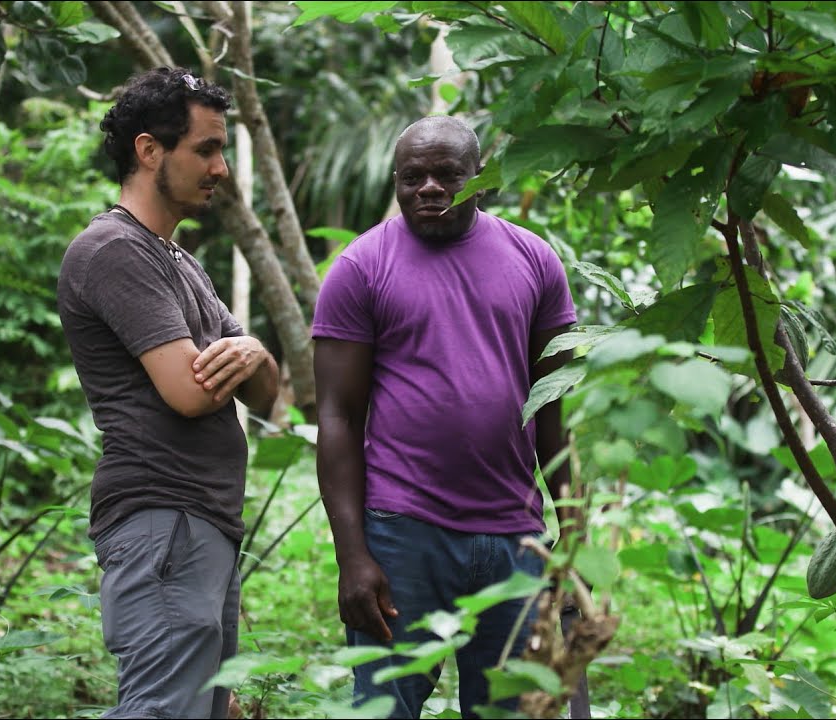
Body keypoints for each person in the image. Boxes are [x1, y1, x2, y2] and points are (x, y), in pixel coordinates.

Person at [312, 115, 578, 719]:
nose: (428, 188)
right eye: (412, 177)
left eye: (445, 175)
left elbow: (554, 407)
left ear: (479, 179)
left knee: (515, 711)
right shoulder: (360, 267)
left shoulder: (534, 260)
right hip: (403, 532)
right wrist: (353, 556)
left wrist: (575, 528)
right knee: (386, 708)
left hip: (515, 536)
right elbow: (338, 419)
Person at [57, 67, 279, 719]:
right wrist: (243, 359)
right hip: (163, 516)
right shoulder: (112, 251)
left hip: (200, 523)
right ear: (149, 150)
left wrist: (257, 354)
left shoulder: (183, 263)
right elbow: (190, 390)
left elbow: (269, 394)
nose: (221, 169)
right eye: (205, 149)